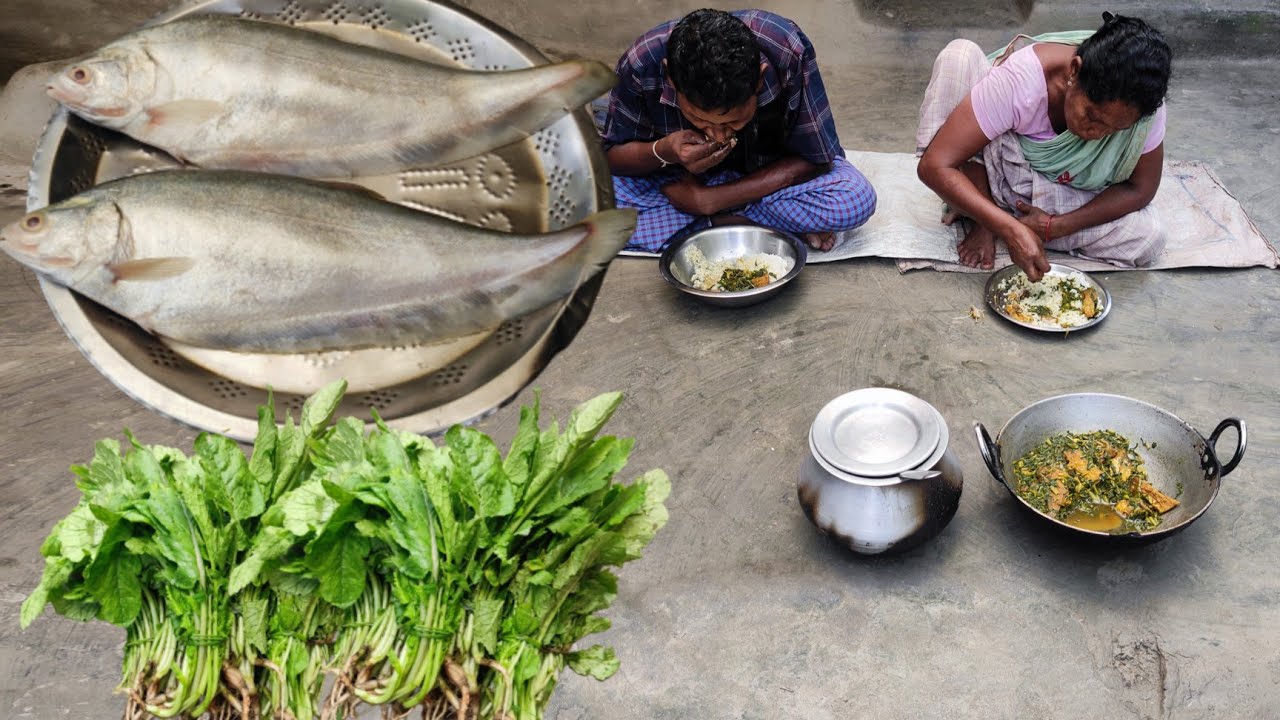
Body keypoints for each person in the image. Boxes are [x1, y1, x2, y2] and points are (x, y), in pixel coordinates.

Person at [916, 13, 1173, 281]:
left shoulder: (1144, 108)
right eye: (1092, 116)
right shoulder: (1021, 80)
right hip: (998, 174)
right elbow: (934, 165)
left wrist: (1057, 226)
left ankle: (1000, 217)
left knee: (1149, 237)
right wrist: (1009, 231)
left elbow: (1141, 188)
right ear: (1074, 70)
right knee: (959, 57)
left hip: (1063, 196)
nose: (1096, 134)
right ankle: (984, 219)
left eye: (1114, 129)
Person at [600, 8, 877, 253]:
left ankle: (708, 221)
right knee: (587, 205)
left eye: (733, 122)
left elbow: (817, 159)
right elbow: (611, 158)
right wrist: (665, 151)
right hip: (676, 184)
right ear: (671, 79)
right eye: (699, 119)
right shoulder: (641, 62)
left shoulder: (785, 49)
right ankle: (757, 223)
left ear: (760, 79)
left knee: (854, 199)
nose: (719, 136)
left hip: (766, 178)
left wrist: (710, 200)